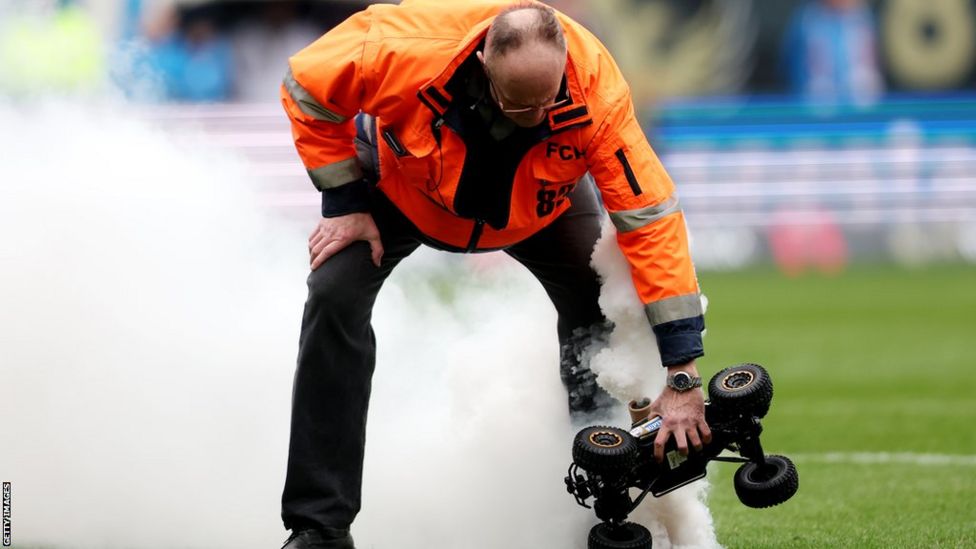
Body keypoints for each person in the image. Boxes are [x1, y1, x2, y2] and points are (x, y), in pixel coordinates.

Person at [279, 2, 708, 547]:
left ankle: (604, 506)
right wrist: (343, 202)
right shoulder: (403, 45)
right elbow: (305, 85)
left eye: (545, 102)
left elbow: (650, 219)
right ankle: (319, 526)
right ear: (483, 61)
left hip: (541, 207)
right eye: (515, 102)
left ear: (564, 72)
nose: (532, 116)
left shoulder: (598, 90)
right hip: (399, 187)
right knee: (332, 295)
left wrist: (682, 372)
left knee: (598, 311)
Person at [781, 0, 884, 105]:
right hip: (816, 109)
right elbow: (792, 75)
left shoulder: (867, 19)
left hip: (866, 108)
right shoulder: (804, 23)